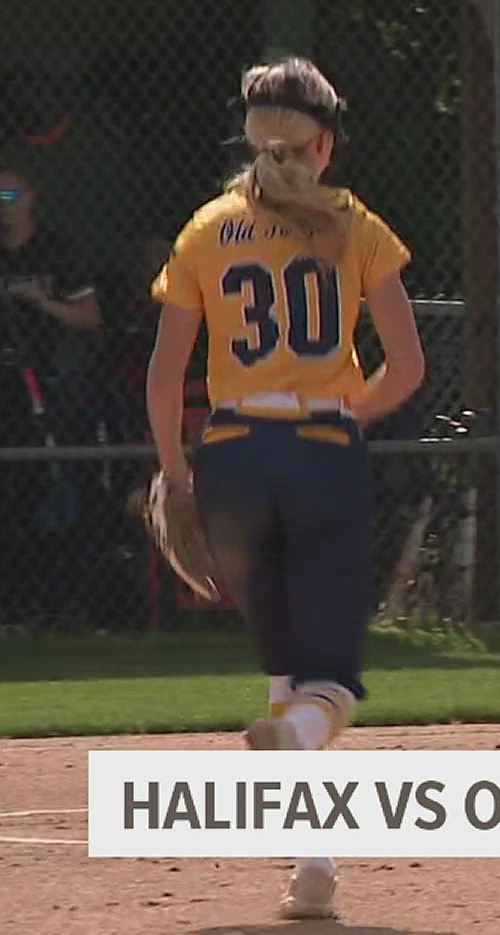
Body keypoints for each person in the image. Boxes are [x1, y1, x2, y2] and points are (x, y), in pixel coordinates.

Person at [146, 57, 425, 921]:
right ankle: (300, 744)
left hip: (229, 453)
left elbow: (164, 376)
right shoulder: (353, 225)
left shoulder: (206, 227)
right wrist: (354, 413)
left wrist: (178, 471)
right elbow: (407, 367)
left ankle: (312, 868)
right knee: (328, 681)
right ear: (325, 146)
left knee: (283, 668)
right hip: (318, 449)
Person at [0, 157, 103, 627]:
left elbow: (89, 316)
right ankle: (14, 605)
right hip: (5, 390)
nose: (4, 207)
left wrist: (40, 302)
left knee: (54, 489)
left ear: (31, 199)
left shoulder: (54, 251)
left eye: (11, 196)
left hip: (47, 389)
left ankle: (63, 604)